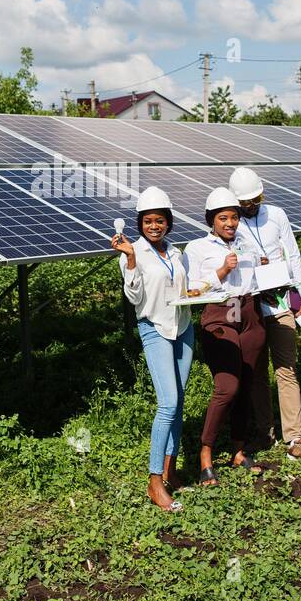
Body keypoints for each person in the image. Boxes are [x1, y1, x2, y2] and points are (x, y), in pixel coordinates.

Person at [228, 167, 301, 463]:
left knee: (286, 369)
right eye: (244, 203)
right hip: (252, 308)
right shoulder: (230, 225)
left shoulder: (277, 215)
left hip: (281, 302)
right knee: (256, 372)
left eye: (255, 200)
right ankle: (263, 431)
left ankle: (295, 438)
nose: (250, 207)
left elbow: (293, 255)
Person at [111, 186, 198, 511]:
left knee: (180, 402)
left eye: (160, 220)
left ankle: (170, 471)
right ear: (140, 223)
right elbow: (133, 298)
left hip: (184, 327)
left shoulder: (175, 252)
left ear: (168, 222)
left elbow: (181, 287)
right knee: (169, 402)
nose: (154, 226)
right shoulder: (133, 253)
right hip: (155, 329)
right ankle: (154, 482)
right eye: (148, 221)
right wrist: (131, 259)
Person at [184, 187, 269, 485]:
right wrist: (220, 271)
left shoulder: (247, 244)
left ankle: (238, 450)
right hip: (220, 313)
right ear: (211, 220)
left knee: (245, 383)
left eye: (234, 217)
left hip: (248, 311)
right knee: (227, 387)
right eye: (223, 218)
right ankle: (205, 455)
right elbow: (191, 289)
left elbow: (261, 279)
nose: (230, 223)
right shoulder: (196, 248)